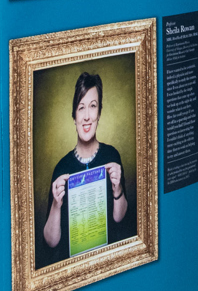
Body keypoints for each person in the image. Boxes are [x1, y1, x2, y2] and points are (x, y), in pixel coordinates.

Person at [39, 72, 134, 266]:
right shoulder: (61, 168)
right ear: (74, 116)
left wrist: (119, 191)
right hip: (73, 268)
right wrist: (56, 205)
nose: (87, 116)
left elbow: (119, 218)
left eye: (93, 106)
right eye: (81, 108)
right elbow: (51, 241)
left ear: (99, 113)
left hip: (107, 263)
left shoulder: (112, 156)